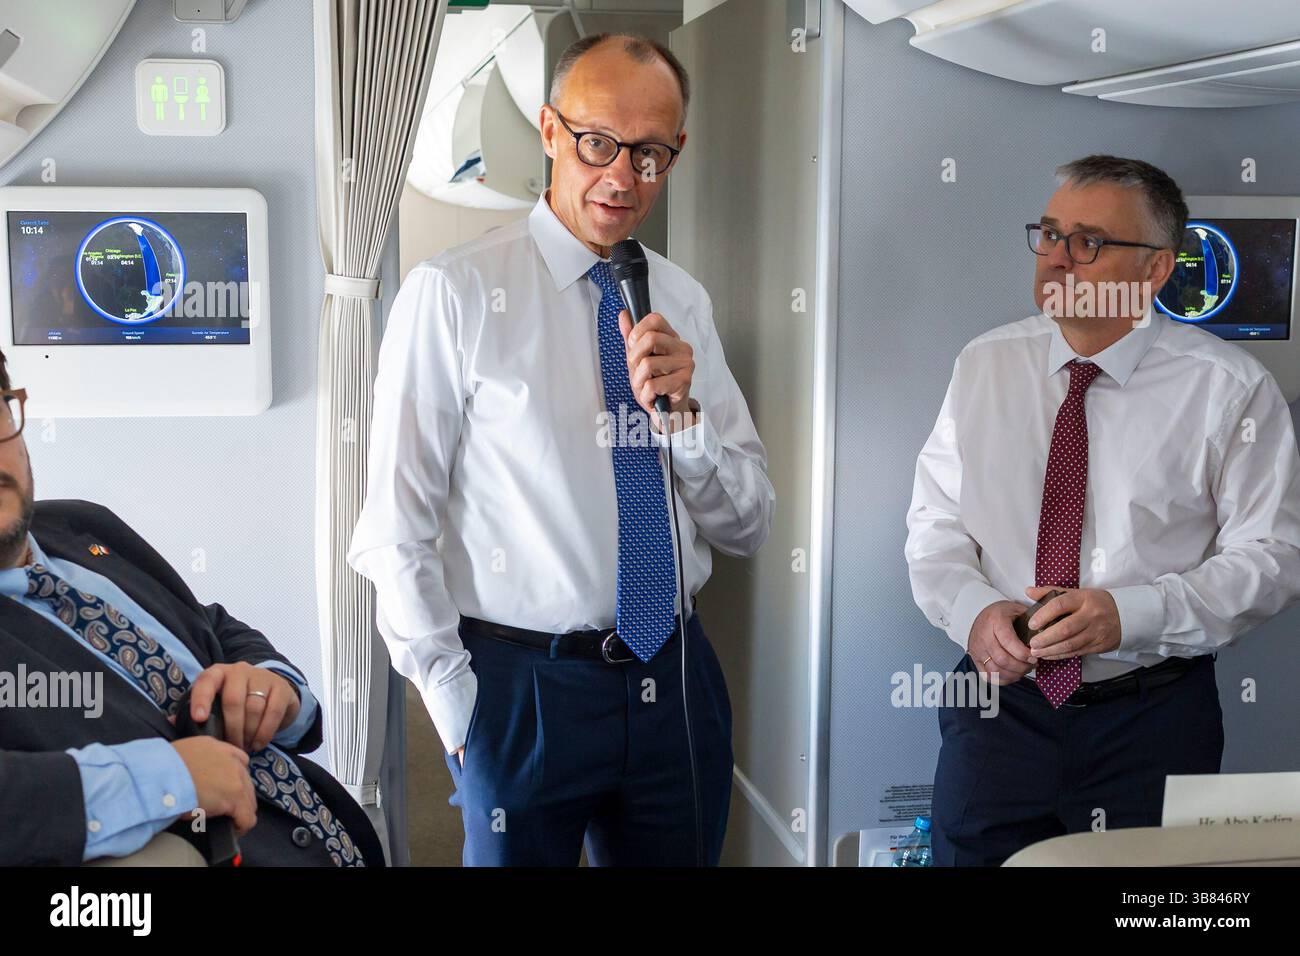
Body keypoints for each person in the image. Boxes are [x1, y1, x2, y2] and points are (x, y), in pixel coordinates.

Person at [348, 33, 773, 866]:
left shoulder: (683, 300)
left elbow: (748, 524)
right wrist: (456, 703)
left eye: (650, 152)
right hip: (521, 689)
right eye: (598, 143)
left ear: (674, 153)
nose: (622, 175)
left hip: (676, 679)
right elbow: (394, 530)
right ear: (549, 130)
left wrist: (682, 421)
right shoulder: (455, 294)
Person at [904, 155, 1300, 866]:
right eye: (1049, 233)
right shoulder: (984, 366)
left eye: (1087, 242)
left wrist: (1131, 613)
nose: (1057, 258)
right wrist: (973, 613)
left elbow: (1273, 559)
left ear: (1154, 270)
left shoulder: (1230, 389)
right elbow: (934, 528)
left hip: (1152, 716)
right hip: (999, 708)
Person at [0, 354, 382, 867]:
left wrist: (274, 687)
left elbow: (210, 626)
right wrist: (166, 778)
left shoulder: (81, 525)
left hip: (345, 836)